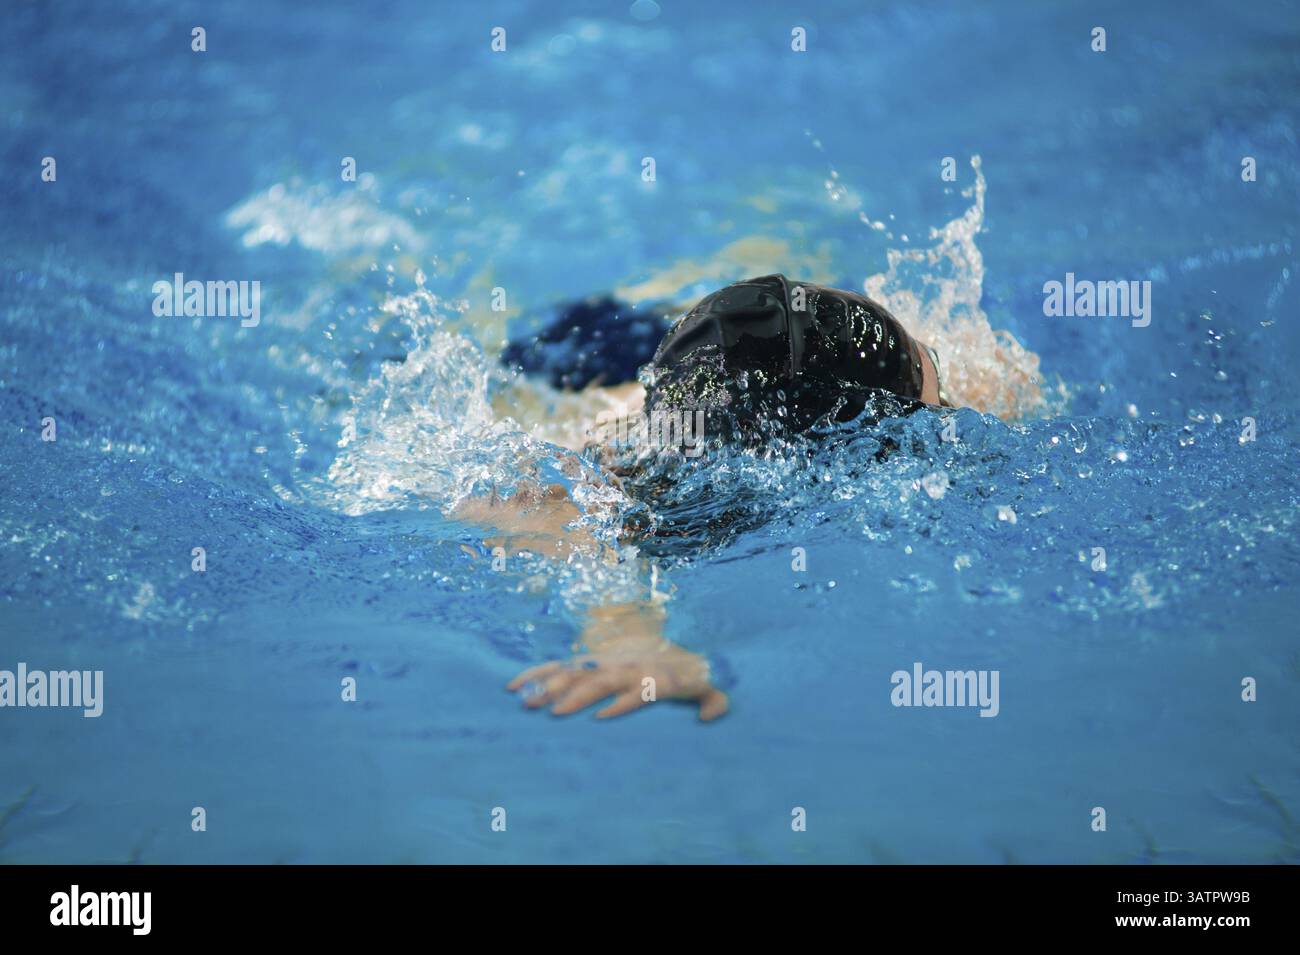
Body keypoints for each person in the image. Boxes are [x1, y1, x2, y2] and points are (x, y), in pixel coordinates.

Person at [459, 275, 951, 722]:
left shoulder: (688, 417)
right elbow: (546, 512)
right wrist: (626, 638)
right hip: (574, 363)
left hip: (683, 356)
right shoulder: (637, 482)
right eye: (934, 383)